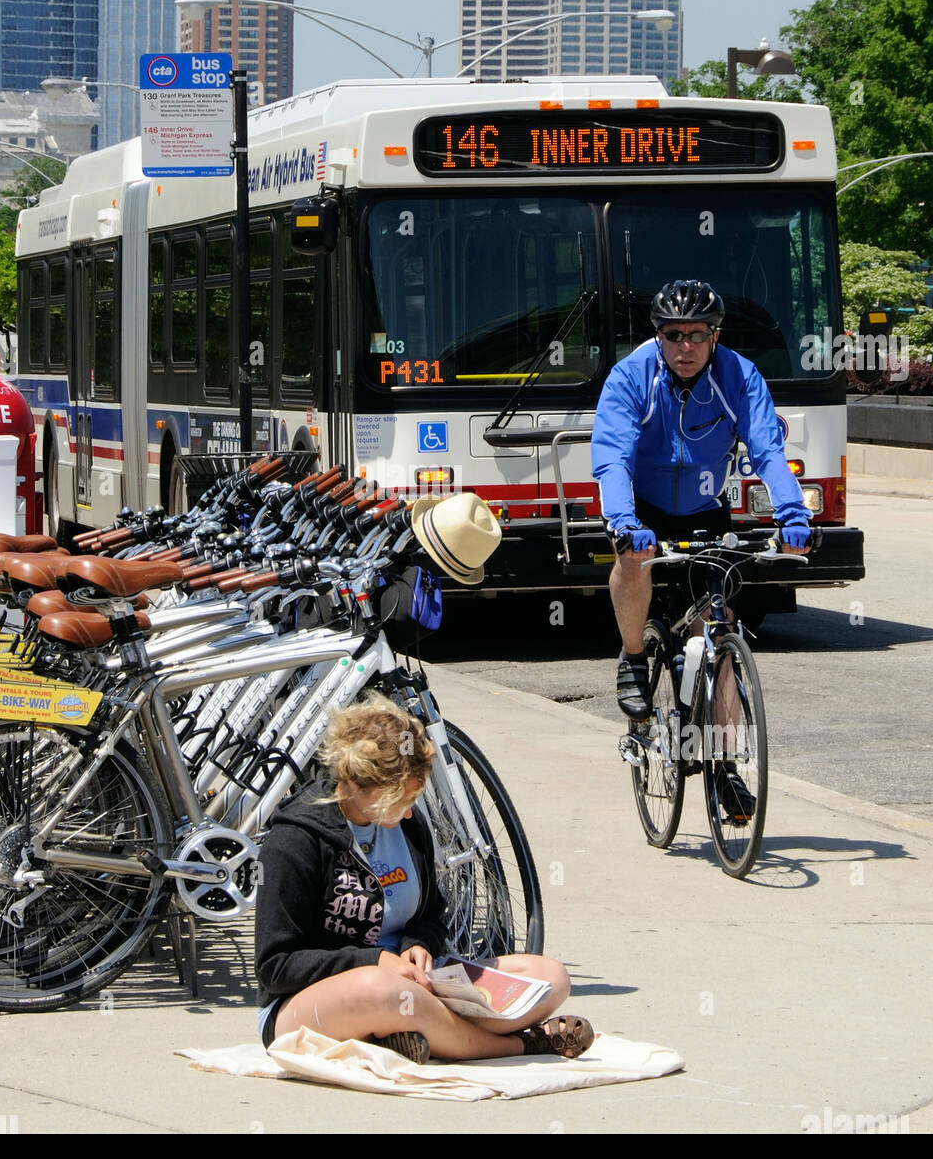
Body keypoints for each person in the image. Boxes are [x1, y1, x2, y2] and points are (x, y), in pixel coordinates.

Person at [254, 693, 594, 1064]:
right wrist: (375, 960)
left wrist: (419, 943)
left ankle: (413, 1036)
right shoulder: (294, 841)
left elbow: (431, 914)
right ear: (359, 785)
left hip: (413, 986)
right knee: (383, 991)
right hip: (313, 1002)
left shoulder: (410, 826)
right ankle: (515, 1045)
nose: (408, 812)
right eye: (399, 800)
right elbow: (276, 966)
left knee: (550, 976)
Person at [591, 280, 811, 754]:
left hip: (706, 511)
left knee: (720, 639)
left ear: (716, 334)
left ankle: (726, 764)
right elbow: (613, 458)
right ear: (657, 335)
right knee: (631, 562)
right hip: (643, 512)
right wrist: (624, 522)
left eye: (697, 334)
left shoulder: (739, 375)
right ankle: (632, 657)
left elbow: (767, 450)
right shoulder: (630, 377)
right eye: (673, 335)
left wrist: (793, 513)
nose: (684, 346)